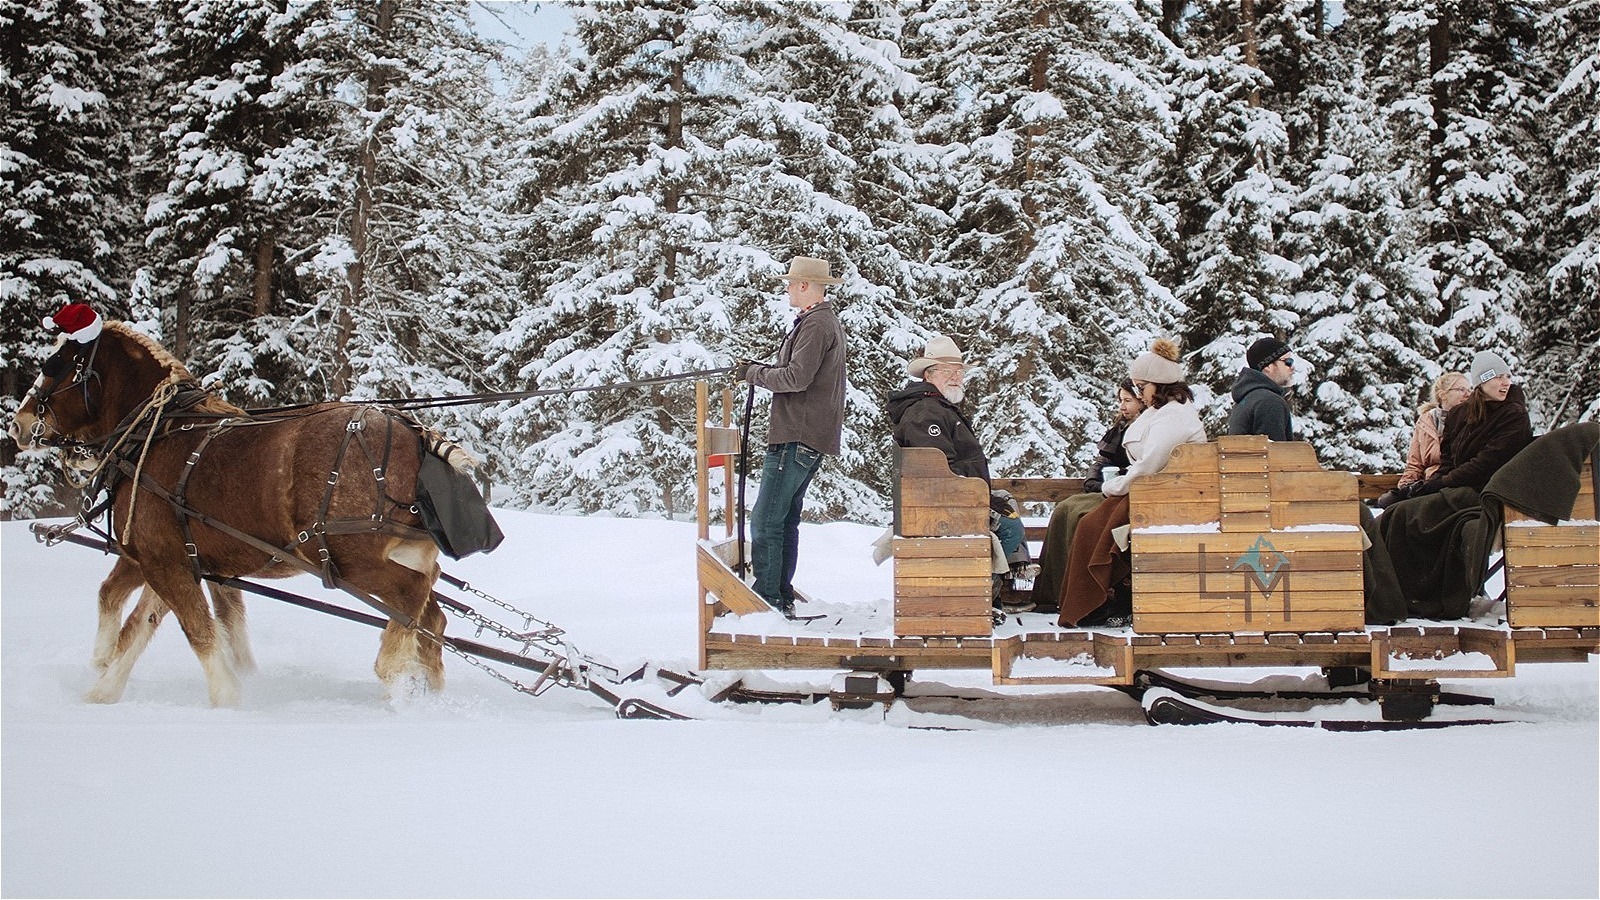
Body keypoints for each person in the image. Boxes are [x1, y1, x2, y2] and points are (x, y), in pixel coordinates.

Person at [1368, 349, 1534, 620]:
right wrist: (1425, 486)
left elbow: (1487, 462)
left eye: (1507, 377)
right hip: (1456, 488)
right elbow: (1448, 460)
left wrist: (1439, 484)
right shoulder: (1461, 416)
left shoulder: (1513, 416)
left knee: (1406, 515)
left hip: (1484, 493)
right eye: (1498, 378)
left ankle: (1425, 600)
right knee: (1394, 514)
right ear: (1482, 381)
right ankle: (1393, 597)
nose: (1505, 383)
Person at [1059, 339, 1207, 627]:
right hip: (1150, 493)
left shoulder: (1174, 415)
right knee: (1086, 521)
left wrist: (1110, 487)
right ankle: (1092, 599)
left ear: (1158, 384)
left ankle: (1100, 599)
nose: (1139, 393)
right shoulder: (1161, 412)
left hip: (1165, 496)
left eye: (1142, 387)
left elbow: (1149, 467)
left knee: (1091, 526)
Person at [734, 256, 847, 618]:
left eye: (790, 283)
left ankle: (766, 601)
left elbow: (797, 378)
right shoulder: (819, 322)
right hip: (807, 434)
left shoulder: (816, 325)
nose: (786, 289)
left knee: (766, 519)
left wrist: (754, 374)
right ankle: (779, 595)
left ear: (803, 286)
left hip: (796, 434)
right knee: (783, 520)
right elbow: (794, 373)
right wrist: (761, 371)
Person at [886, 335, 1028, 607]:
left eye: (959, 372)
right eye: (948, 372)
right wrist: (981, 497)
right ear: (929, 375)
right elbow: (939, 469)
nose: (956, 378)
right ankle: (977, 596)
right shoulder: (925, 412)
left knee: (1007, 508)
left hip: (955, 496)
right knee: (1009, 527)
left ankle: (986, 594)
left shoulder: (938, 407)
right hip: (942, 503)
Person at [1029, 380, 1145, 614]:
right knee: (1065, 509)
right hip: (1108, 488)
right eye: (1120, 400)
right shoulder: (1120, 427)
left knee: (1081, 517)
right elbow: (1103, 459)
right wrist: (1094, 481)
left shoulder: (1146, 428)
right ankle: (1053, 592)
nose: (1122, 406)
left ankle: (1085, 595)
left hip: (1129, 491)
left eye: (1128, 400)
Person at [1373, 371, 1469, 509]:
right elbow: (1415, 462)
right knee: (1387, 502)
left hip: (1452, 482)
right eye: (1461, 389)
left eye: (1469, 389)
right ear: (1443, 395)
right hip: (1428, 482)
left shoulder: (1472, 419)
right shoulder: (1426, 421)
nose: (1468, 394)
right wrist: (1406, 487)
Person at [1226, 336, 1296, 441]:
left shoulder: (1247, 398)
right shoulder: (1269, 401)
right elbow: (1275, 452)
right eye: (1288, 362)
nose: (1292, 367)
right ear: (1268, 366)